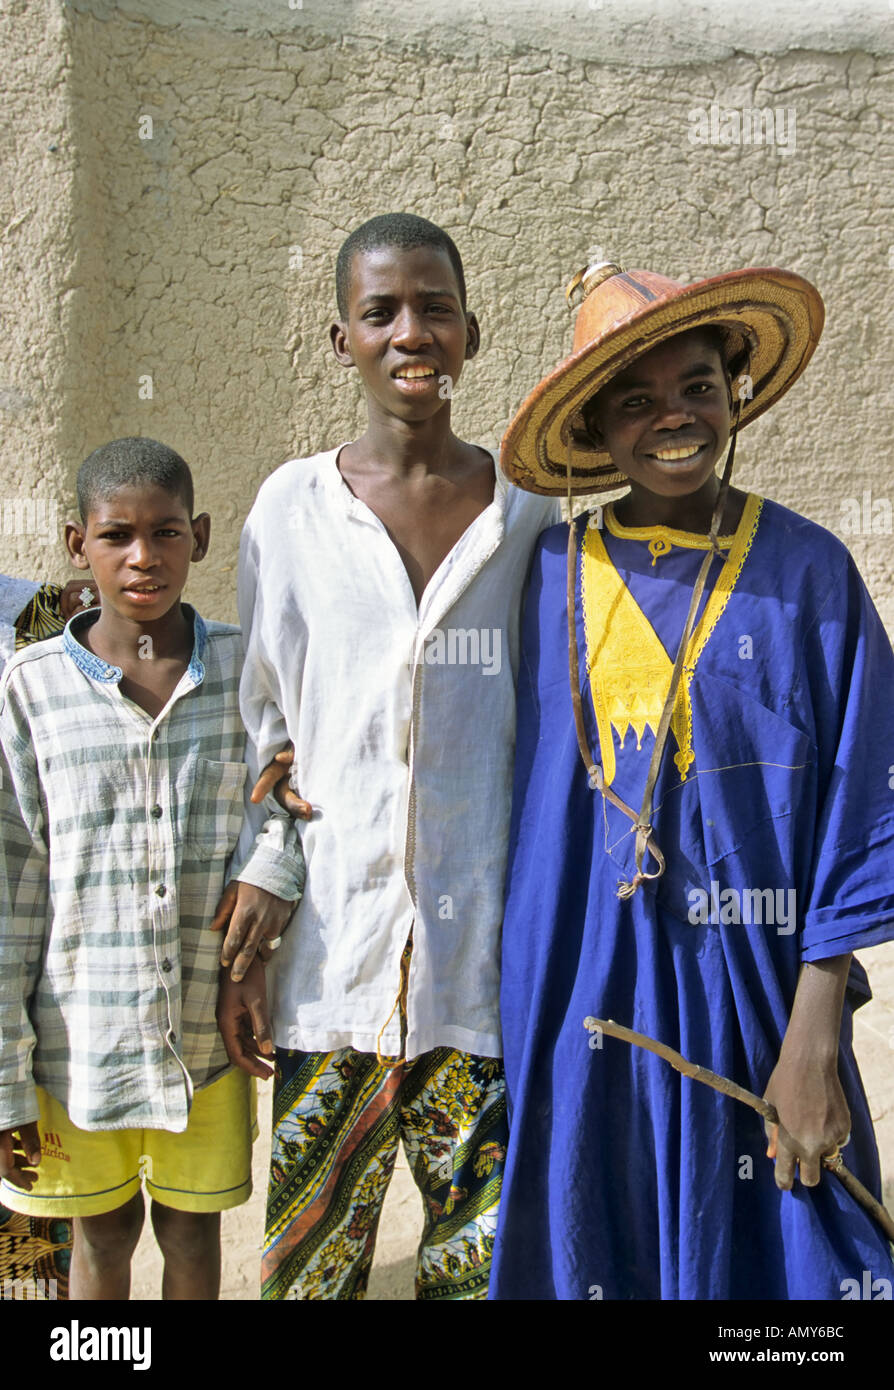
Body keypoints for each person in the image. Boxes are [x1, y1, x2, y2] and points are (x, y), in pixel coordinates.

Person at [489, 259, 894, 1300]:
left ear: (735, 394)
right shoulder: (545, 580)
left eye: (697, 388)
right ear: (595, 428)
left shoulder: (810, 576)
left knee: (780, 1255)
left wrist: (815, 1032)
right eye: (636, 400)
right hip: (584, 996)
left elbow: (861, 811)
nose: (672, 418)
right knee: (599, 1237)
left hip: (755, 998)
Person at [217, 213, 560, 1300]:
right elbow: (267, 724)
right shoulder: (291, 510)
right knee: (314, 1276)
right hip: (333, 964)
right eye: (381, 312)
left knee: (483, 1272)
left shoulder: (531, 518)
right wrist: (268, 872)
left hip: (482, 978)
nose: (411, 331)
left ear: (471, 333)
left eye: (435, 309)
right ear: (342, 339)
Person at [0, 437, 302, 1300]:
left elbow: (285, 803)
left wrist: (272, 862)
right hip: (76, 1046)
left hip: (204, 1038)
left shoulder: (247, 670)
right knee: (101, 1237)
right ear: (75, 544)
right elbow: (13, 884)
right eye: (116, 535)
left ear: (200, 537)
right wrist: (3, 1069)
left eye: (166, 533)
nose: (143, 558)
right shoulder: (29, 689)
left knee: (192, 1231)